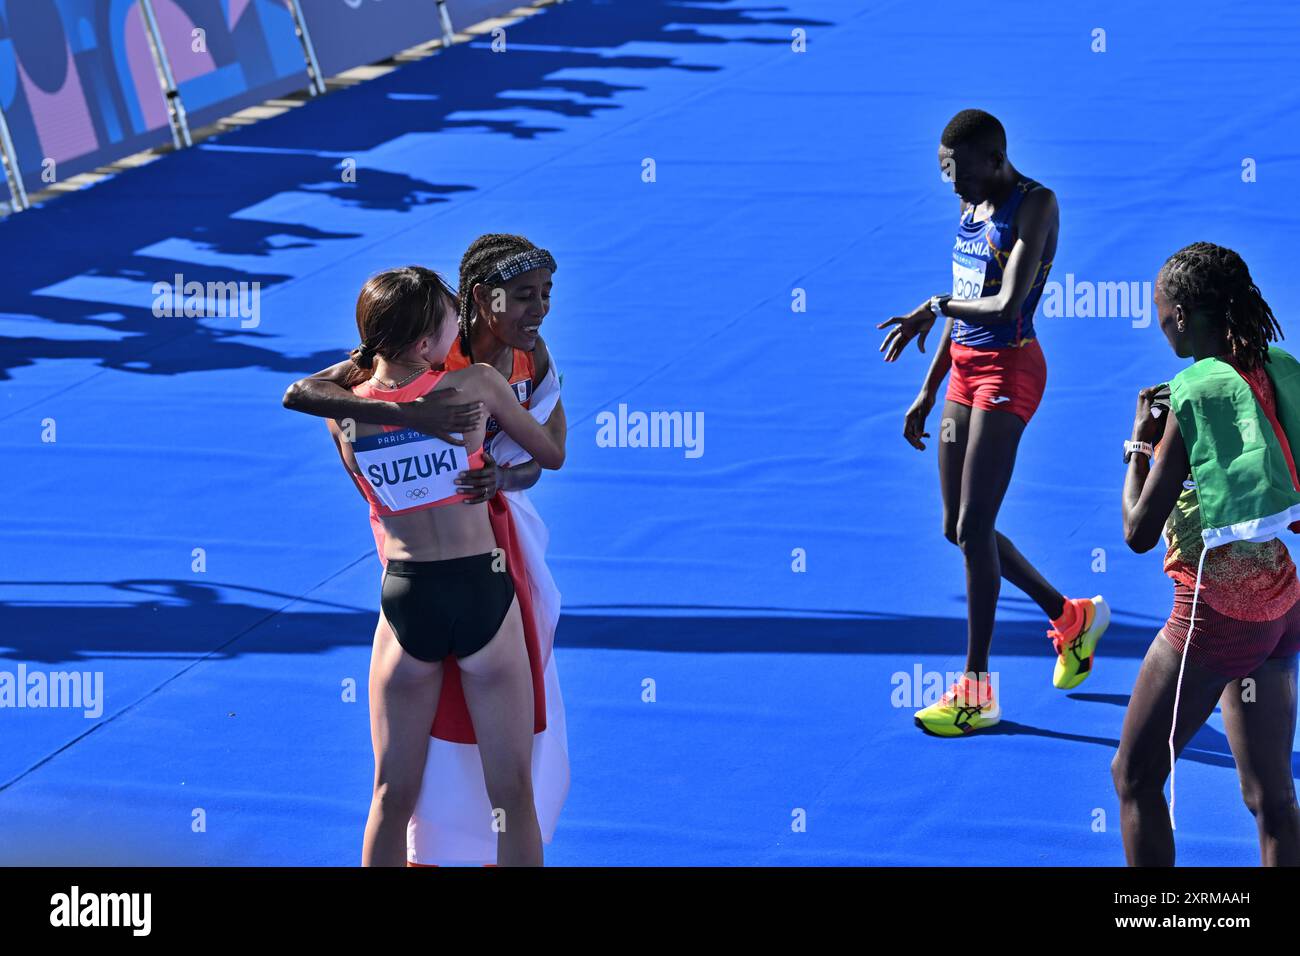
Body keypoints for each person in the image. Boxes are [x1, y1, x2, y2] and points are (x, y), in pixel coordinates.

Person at [283, 235, 569, 864]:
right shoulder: (476, 386)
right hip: (481, 594)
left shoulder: (344, 412)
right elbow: (549, 454)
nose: (455, 335)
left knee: (389, 796)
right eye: (447, 324)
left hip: (406, 597)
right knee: (513, 796)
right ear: (422, 343)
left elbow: (305, 393)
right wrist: (488, 461)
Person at [878, 108, 1108, 736]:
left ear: (993, 159)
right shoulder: (971, 205)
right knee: (958, 528)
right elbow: (964, 298)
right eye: (944, 172)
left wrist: (932, 305)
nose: (951, 186)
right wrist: (928, 389)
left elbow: (1006, 305)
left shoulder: (1036, 205)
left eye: (957, 172)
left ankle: (976, 688)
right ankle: (1072, 617)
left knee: (977, 528)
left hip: (1010, 371)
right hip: (964, 372)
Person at [1115, 241, 1300, 866]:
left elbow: (1139, 531)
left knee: (1135, 778)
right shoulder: (1271, 366)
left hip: (1214, 615)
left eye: (1161, 312)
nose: (1158, 323)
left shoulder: (1190, 396)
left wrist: (1138, 447)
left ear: (1186, 314)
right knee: (1272, 794)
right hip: (1281, 609)